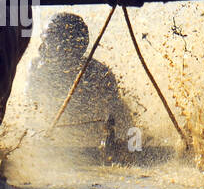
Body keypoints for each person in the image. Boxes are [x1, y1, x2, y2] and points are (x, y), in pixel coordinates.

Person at [25, 12, 135, 156]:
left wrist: (119, 141)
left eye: (49, 42)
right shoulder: (37, 69)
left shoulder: (98, 73)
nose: (42, 48)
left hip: (94, 144)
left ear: (71, 47)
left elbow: (123, 117)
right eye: (44, 41)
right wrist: (35, 135)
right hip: (56, 144)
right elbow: (31, 112)